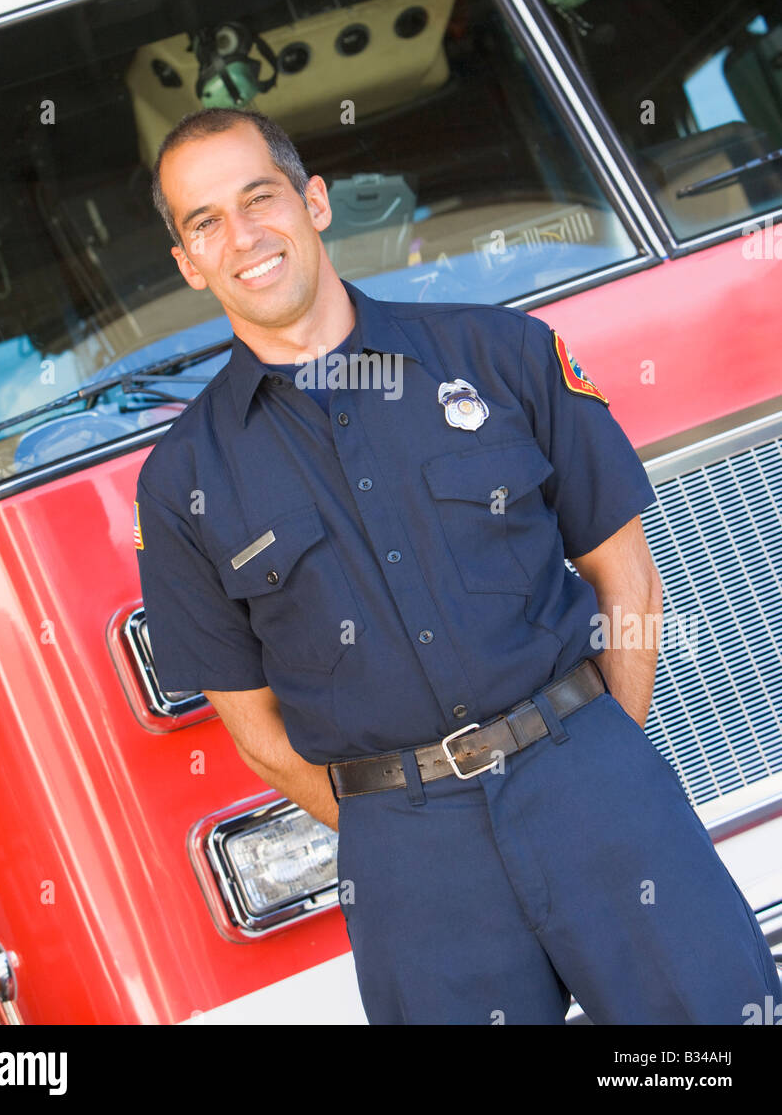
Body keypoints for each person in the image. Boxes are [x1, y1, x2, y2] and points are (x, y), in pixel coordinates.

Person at [134, 105, 782, 1025]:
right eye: (206, 223)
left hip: (592, 788)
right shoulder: (180, 484)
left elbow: (627, 574)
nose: (243, 237)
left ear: (314, 203)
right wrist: (394, 824)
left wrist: (605, 753)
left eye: (259, 197)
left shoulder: (499, 353)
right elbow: (256, 732)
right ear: (189, 264)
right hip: (409, 867)